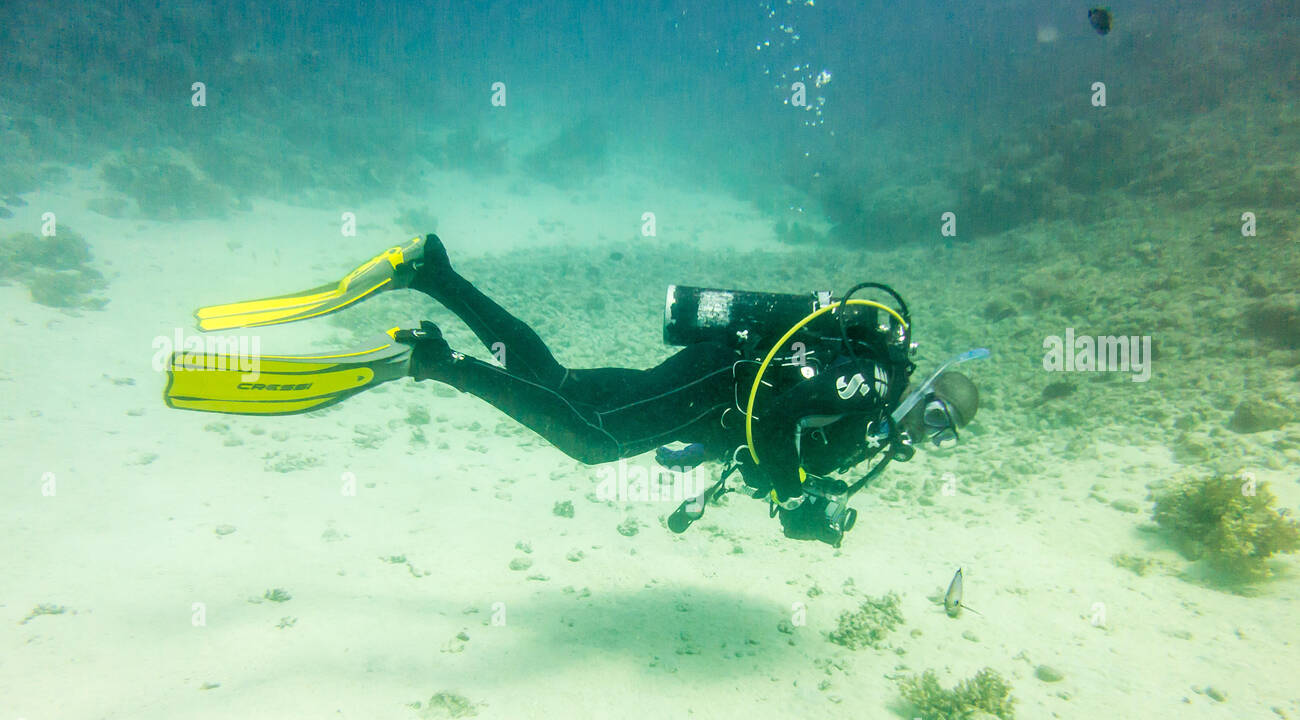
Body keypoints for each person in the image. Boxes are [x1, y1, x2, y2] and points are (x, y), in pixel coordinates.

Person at [170, 234, 984, 546]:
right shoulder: (870, 379)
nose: (931, 437)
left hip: (712, 388)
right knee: (590, 437)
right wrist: (791, 491)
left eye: (947, 438)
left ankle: (431, 272)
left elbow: (774, 417)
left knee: (554, 383)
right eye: (938, 418)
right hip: (714, 381)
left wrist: (737, 460)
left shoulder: (873, 396)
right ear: (927, 387)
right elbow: (774, 413)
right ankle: (430, 361)